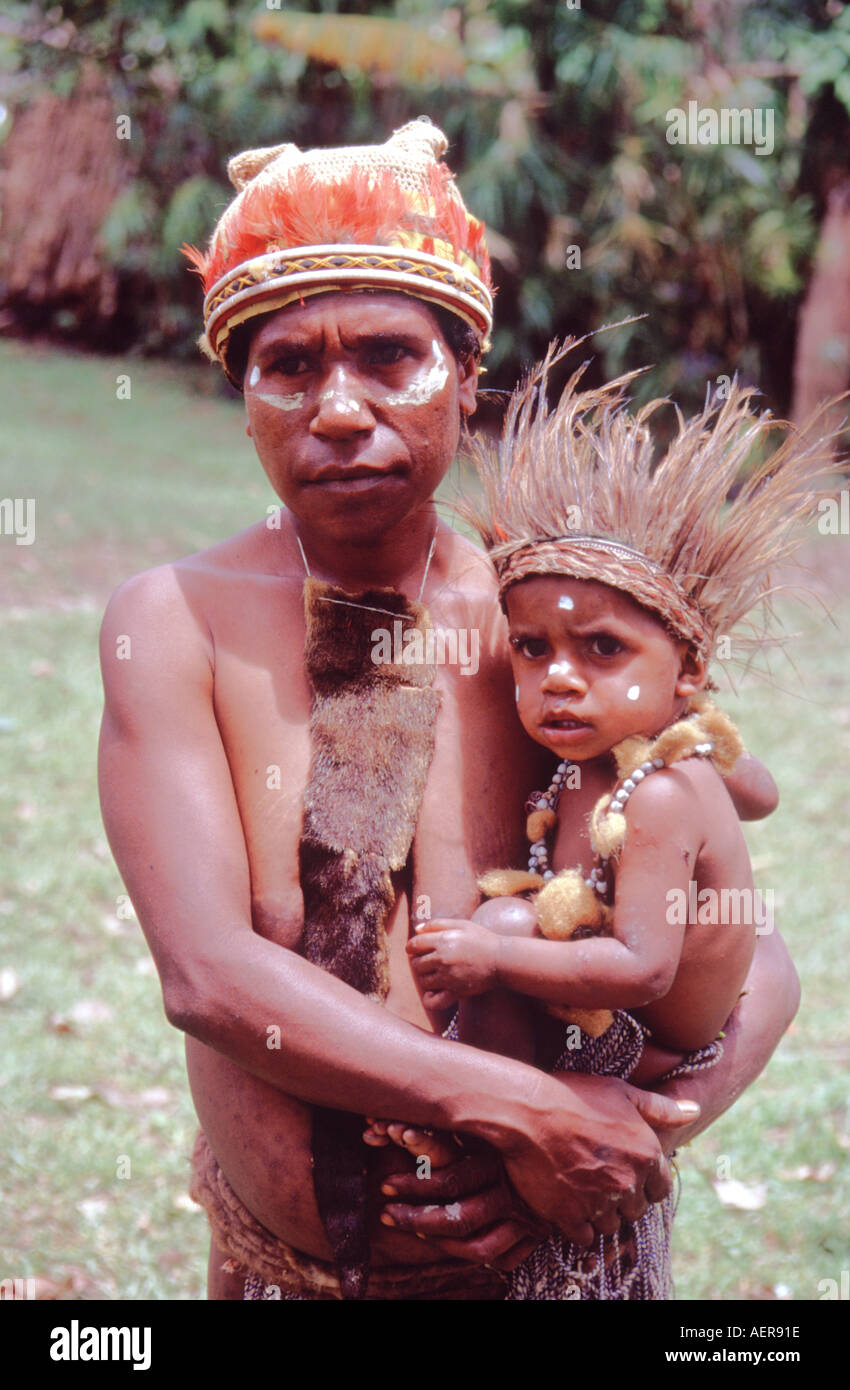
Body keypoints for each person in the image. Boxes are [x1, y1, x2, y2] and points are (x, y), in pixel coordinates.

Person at [97, 119, 799, 1301]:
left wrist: (619, 1133)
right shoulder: (176, 624)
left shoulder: (556, 633)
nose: (337, 408)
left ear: (467, 377)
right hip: (289, 1275)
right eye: (291, 367)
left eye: (387, 356)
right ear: (245, 395)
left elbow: (750, 946)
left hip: (555, 1269)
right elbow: (208, 975)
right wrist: (513, 1103)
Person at [372, 351, 835, 1297]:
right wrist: (718, 757)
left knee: (502, 928)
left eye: (603, 649)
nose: (561, 679)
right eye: (532, 650)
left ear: (688, 671)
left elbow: (642, 968)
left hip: (658, 1037)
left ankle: (492, 1127)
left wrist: (487, 962)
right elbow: (764, 788)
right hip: (630, 1005)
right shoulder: (640, 746)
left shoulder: (658, 797)